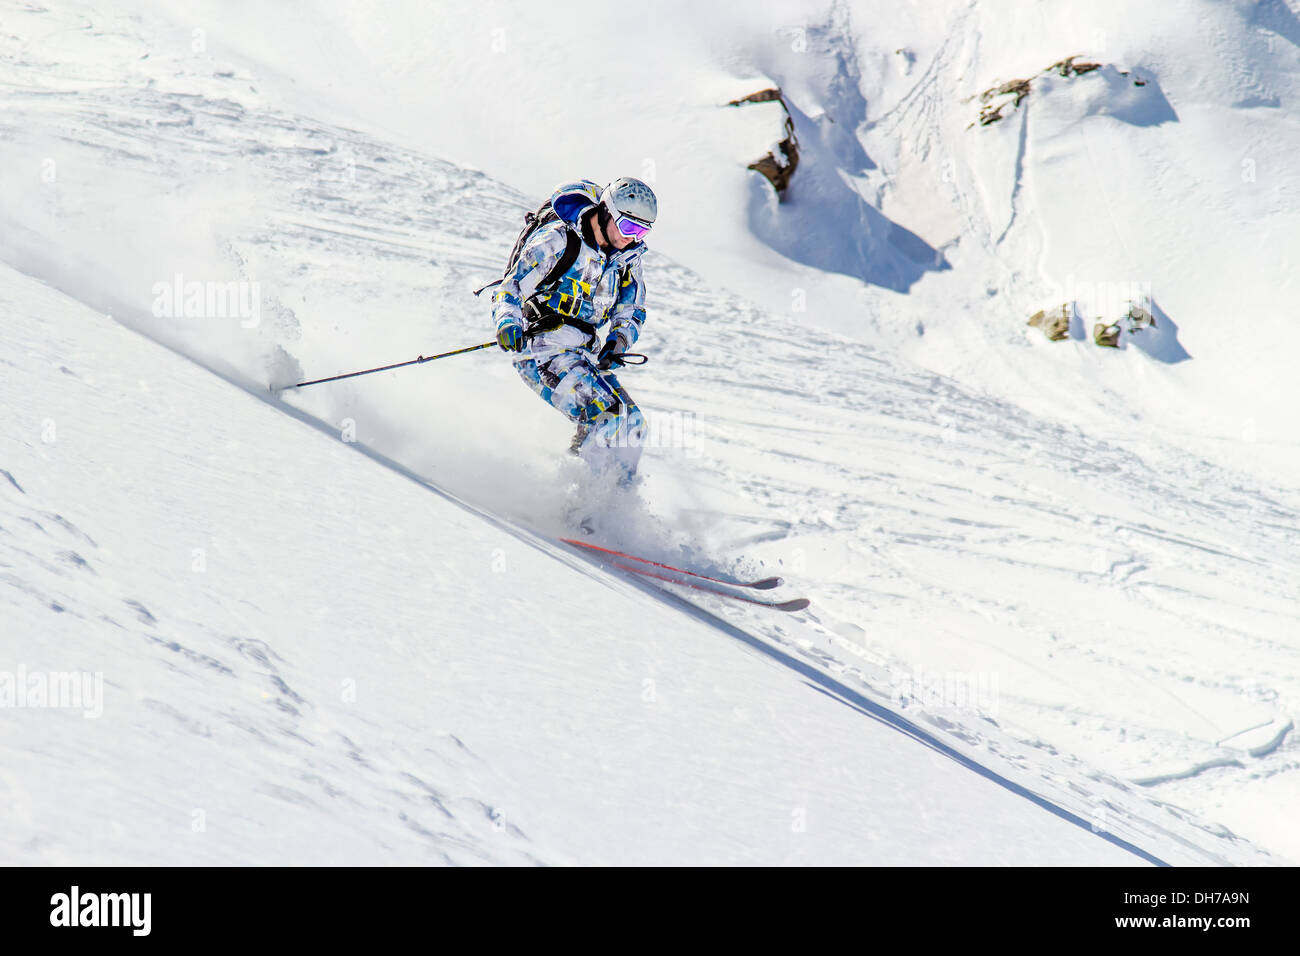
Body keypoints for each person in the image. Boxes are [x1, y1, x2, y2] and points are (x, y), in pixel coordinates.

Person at [491, 177, 656, 482]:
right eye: (628, 228)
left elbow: (631, 310)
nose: (632, 238)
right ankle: (582, 506)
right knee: (609, 419)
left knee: (633, 426)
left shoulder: (626, 260)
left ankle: (615, 506)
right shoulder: (560, 241)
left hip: (584, 355)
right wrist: (507, 322)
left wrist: (618, 342)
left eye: (642, 231)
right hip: (543, 350)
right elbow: (509, 288)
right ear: (607, 212)